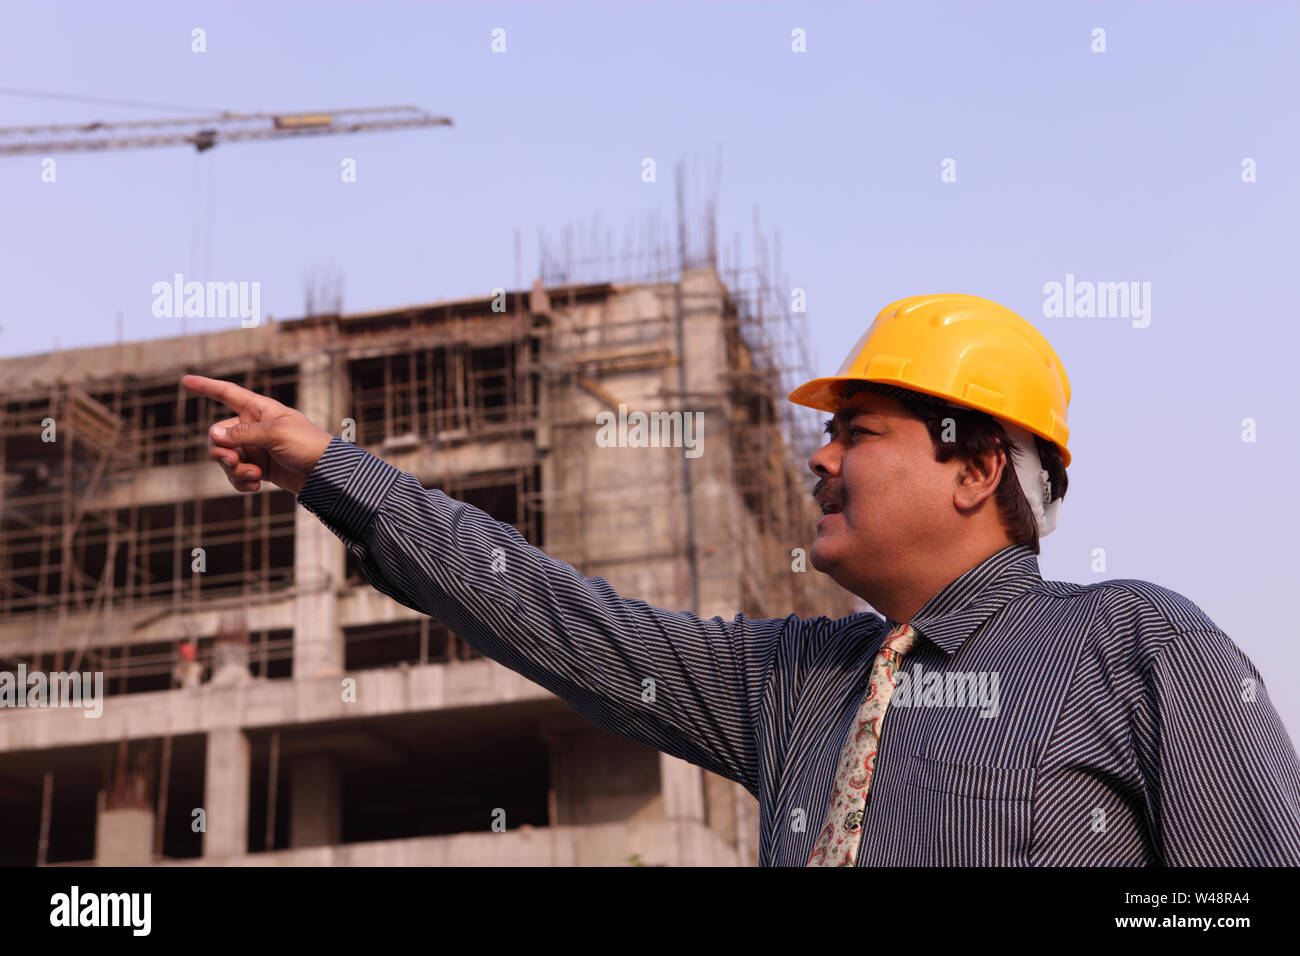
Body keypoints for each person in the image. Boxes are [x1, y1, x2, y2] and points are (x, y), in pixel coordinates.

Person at [180, 293, 1300, 866]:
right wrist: (332, 469)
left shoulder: (1139, 644)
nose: (817, 454)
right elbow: (545, 610)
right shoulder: (794, 678)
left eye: (855, 431)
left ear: (973, 467)